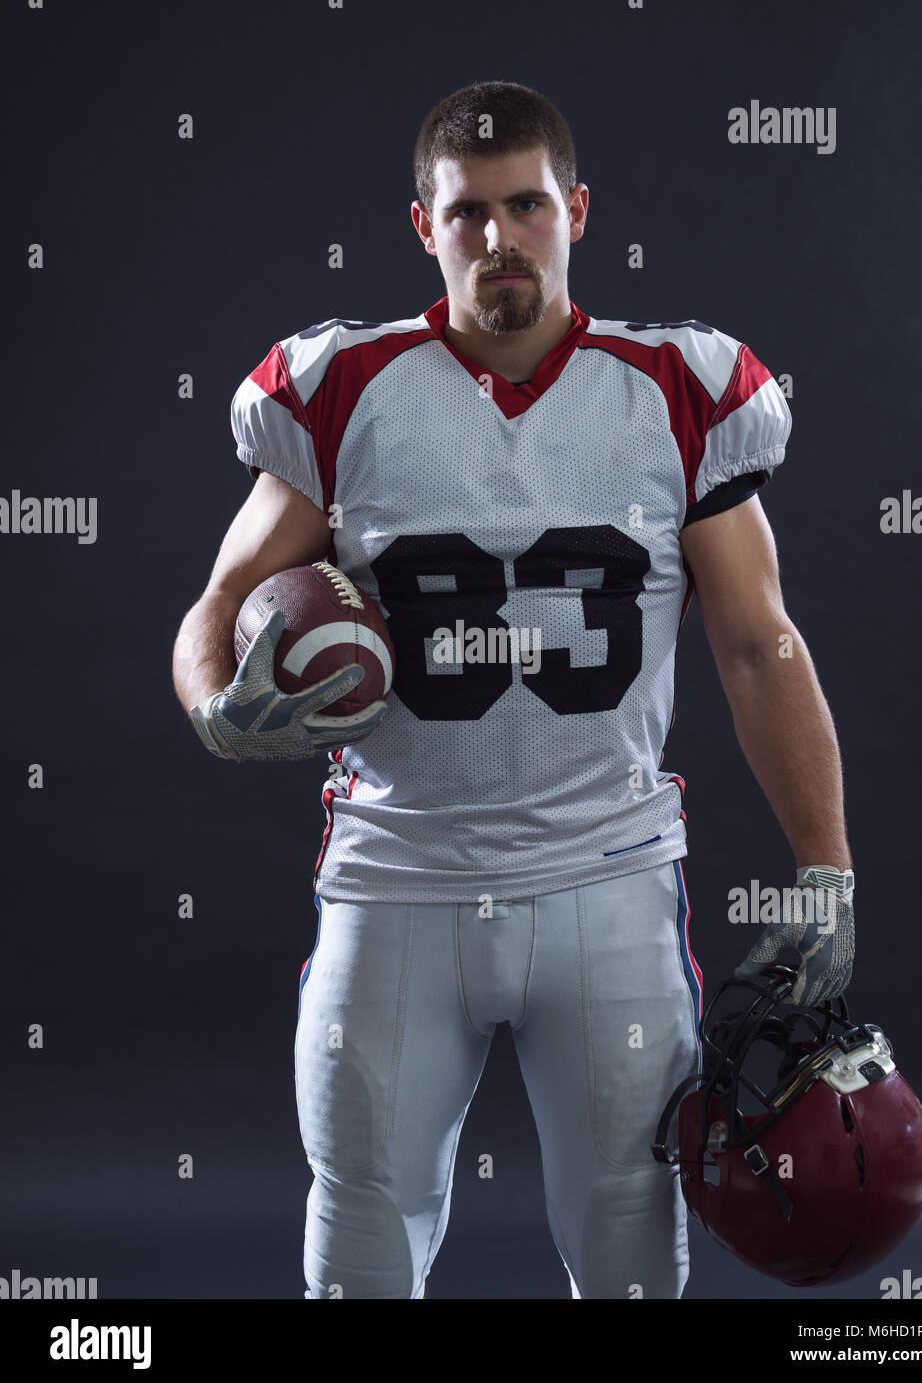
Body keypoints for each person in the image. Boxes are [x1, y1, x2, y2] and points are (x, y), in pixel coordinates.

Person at [172, 80, 854, 1300]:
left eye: (525, 205)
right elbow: (215, 608)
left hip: (606, 879)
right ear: (423, 228)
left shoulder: (680, 389)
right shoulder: (342, 389)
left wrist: (827, 873)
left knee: (631, 1229)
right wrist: (214, 706)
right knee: (362, 1225)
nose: (499, 237)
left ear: (576, 211)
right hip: (397, 876)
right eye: (468, 212)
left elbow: (763, 650)